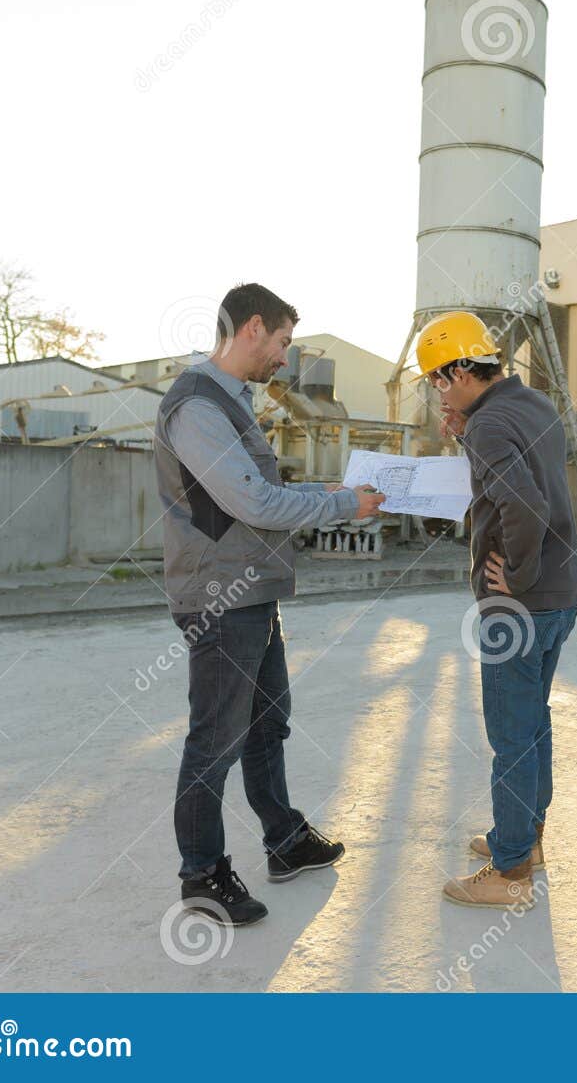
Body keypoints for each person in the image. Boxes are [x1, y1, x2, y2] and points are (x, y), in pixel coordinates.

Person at [153, 282, 388, 926]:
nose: (285, 358)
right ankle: (201, 877)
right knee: (214, 742)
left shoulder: (232, 403)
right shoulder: (198, 407)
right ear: (253, 327)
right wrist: (342, 504)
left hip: (249, 593)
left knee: (266, 726)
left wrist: (332, 489)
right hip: (220, 599)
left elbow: (256, 490)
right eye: (283, 342)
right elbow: (252, 503)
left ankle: (284, 840)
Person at [418, 310, 577, 909]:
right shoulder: (531, 404)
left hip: (521, 609)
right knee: (533, 723)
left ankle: (510, 876)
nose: (439, 390)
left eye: (439, 378)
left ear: (462, 368)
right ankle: (524, 839)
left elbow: (527, 507)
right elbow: (529, 479)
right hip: (561, 597)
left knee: (511, 735)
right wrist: (466, 430)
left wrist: (514, 576)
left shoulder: (490, 427)